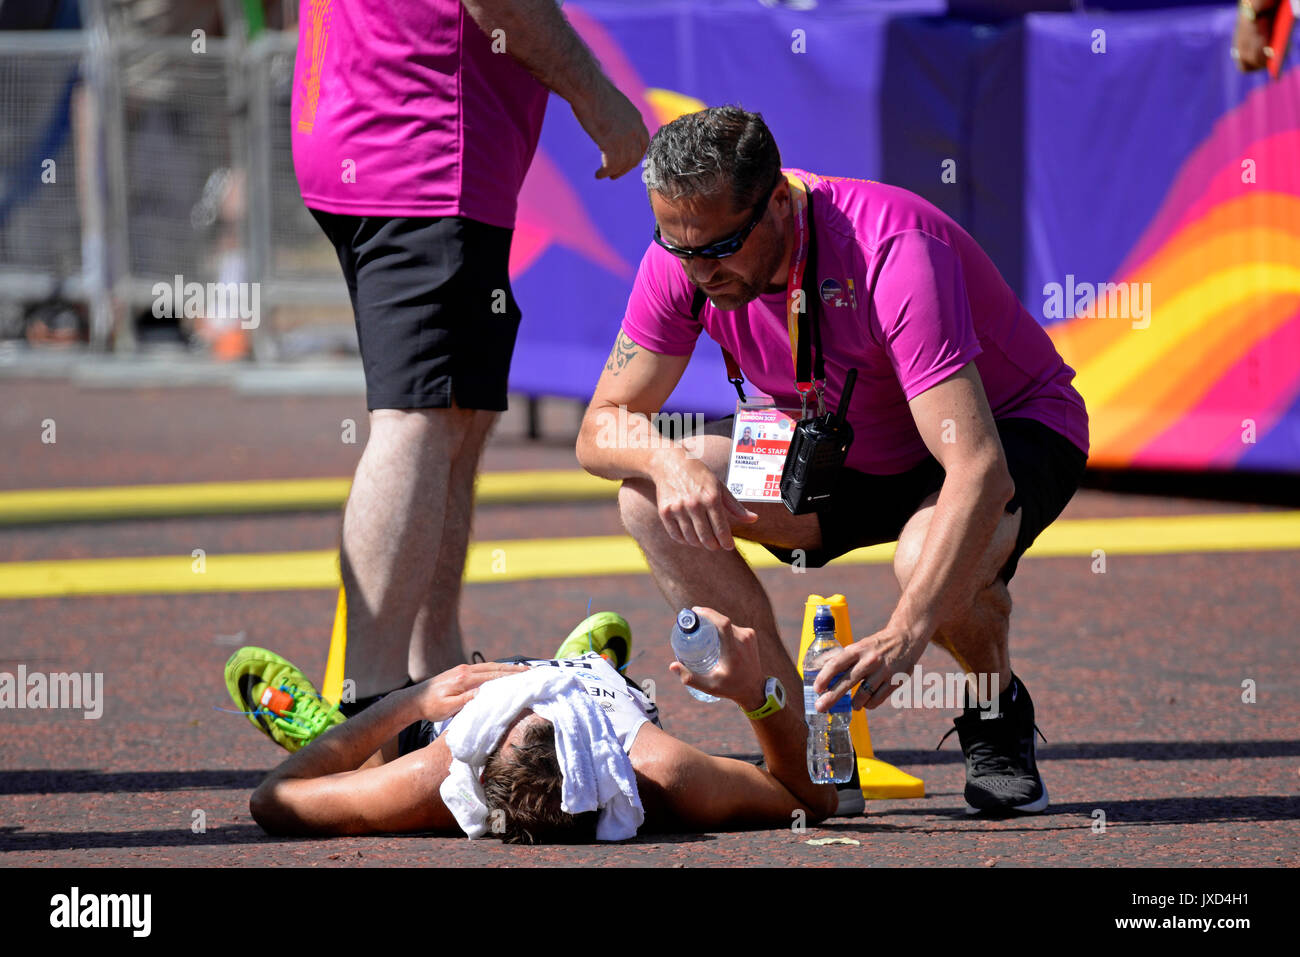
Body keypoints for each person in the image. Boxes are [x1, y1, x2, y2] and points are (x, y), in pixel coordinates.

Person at [574, 106, 1090, 816]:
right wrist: (670, 463)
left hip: (1004, 430)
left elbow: (977, 469)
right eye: (679, 247)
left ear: (778, 203)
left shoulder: (892, 247)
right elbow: (601, 426)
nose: (700, 271)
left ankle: (993, 703)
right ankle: (807, 745)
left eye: (720, 246)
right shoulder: (685, 258)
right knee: (646, 499)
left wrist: (905, 632)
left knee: (925, 564)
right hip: (840, 438)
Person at [291, 0, 649, 720]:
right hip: (419, 144)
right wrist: (599, 97)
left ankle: (430, 668)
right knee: (419, 417)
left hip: (372, 124)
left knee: (456, 411)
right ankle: (377, 704)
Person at [229, 611, 837, 842]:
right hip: (604, 693)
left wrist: (412, 703)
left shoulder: (439, 777)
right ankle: (591, 663)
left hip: (423, 734)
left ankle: (327, 728)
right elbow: (812, 799)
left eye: (515, 703)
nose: (529, 681)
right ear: (602, 743)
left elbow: (273, 800)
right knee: (600, 669)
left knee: (375, 748)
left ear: (481, 753)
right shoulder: (659, 768)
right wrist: (754, 695)